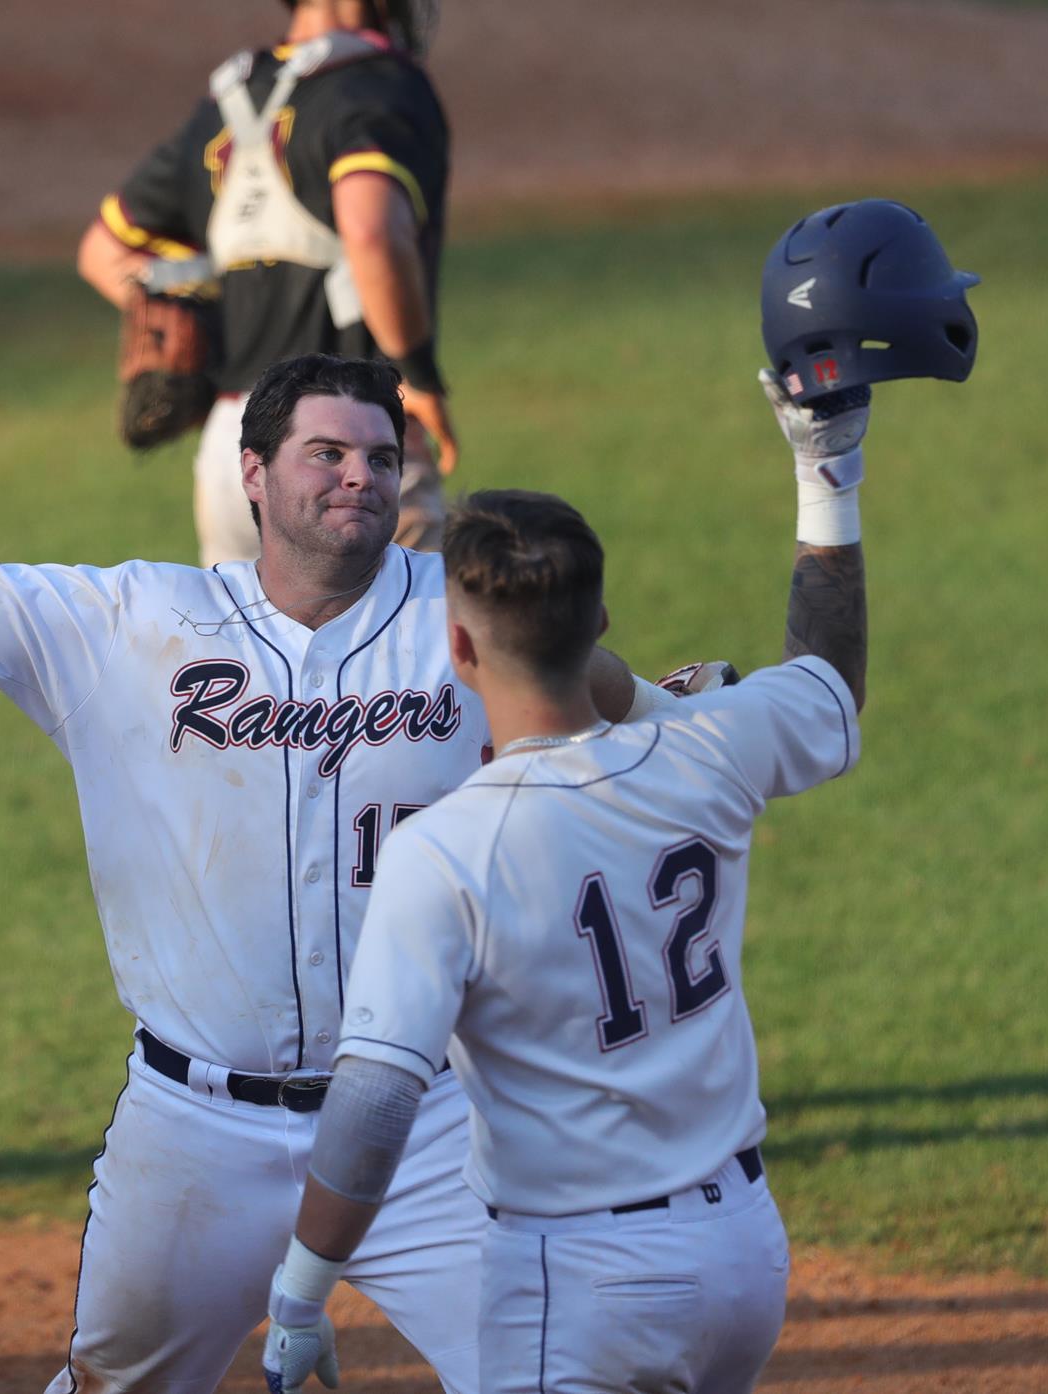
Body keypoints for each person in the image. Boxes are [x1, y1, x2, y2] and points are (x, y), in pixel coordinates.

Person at [0, 283, 719, 1394]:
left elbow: (592, 682)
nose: (359, 476)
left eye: (380, 456)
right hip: (194, 1129)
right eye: (327, 454)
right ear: (253, 474)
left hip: (432, 1124)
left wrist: (677, 714)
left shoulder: (466, 612)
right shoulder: (133, 626)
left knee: (557, 1377)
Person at [255, 376, 878, 1393]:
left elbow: (373, 1101)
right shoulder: (707, 748)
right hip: (741, 1256)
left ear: (459, 648)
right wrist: (826, 466)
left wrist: (299, 1289)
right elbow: (829, 685)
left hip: (580, 1282)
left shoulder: (446, 849)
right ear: (601, 625)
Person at [79, 0, 456, 565]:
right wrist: (419, 376)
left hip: (235, 449)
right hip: (351, 440)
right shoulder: (382, 84)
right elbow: (371, 230)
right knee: (412, 621)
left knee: (247, 625)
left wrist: (210, 323)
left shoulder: (224, 104)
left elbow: (103, 250)